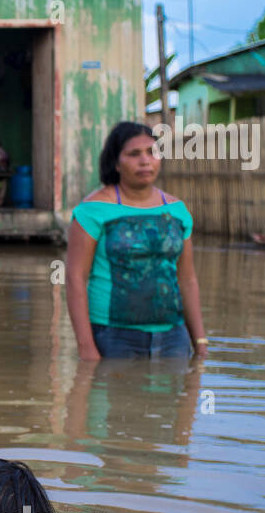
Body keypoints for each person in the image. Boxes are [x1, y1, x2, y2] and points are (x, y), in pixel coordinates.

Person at [66, 121, 209, 360]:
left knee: (176, 395)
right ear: (116, 162)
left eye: (152, 152)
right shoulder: (93, 210)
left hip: (174, 337)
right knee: (110, 396)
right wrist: (86, 347)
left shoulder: (177, 211)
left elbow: (187, 279)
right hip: (112, 336)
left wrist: (200, 342)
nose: (145, 161)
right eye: (134, 154)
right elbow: (75, 278)